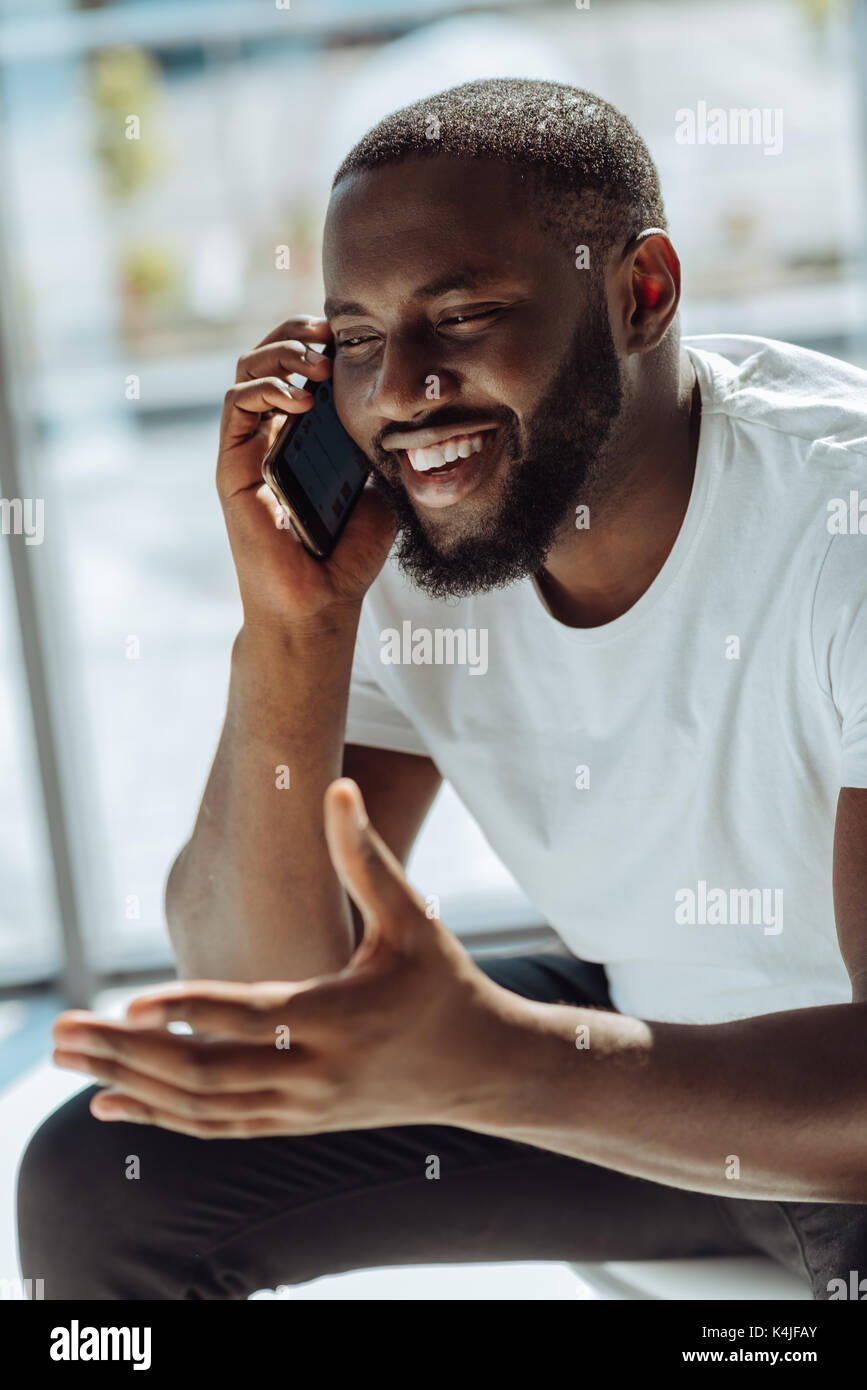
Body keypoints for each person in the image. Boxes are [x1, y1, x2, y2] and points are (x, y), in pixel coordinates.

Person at [18, 79, 867, 1301]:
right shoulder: (421, 532)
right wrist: (291, 630)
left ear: (643, 293)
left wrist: (502, 1066)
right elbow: (263, 1004)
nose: (401, 394)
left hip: (822, 1114)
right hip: (639, 1044)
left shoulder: (834, 526)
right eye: (355, 339)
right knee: (106, 1176)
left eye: (462, 314)